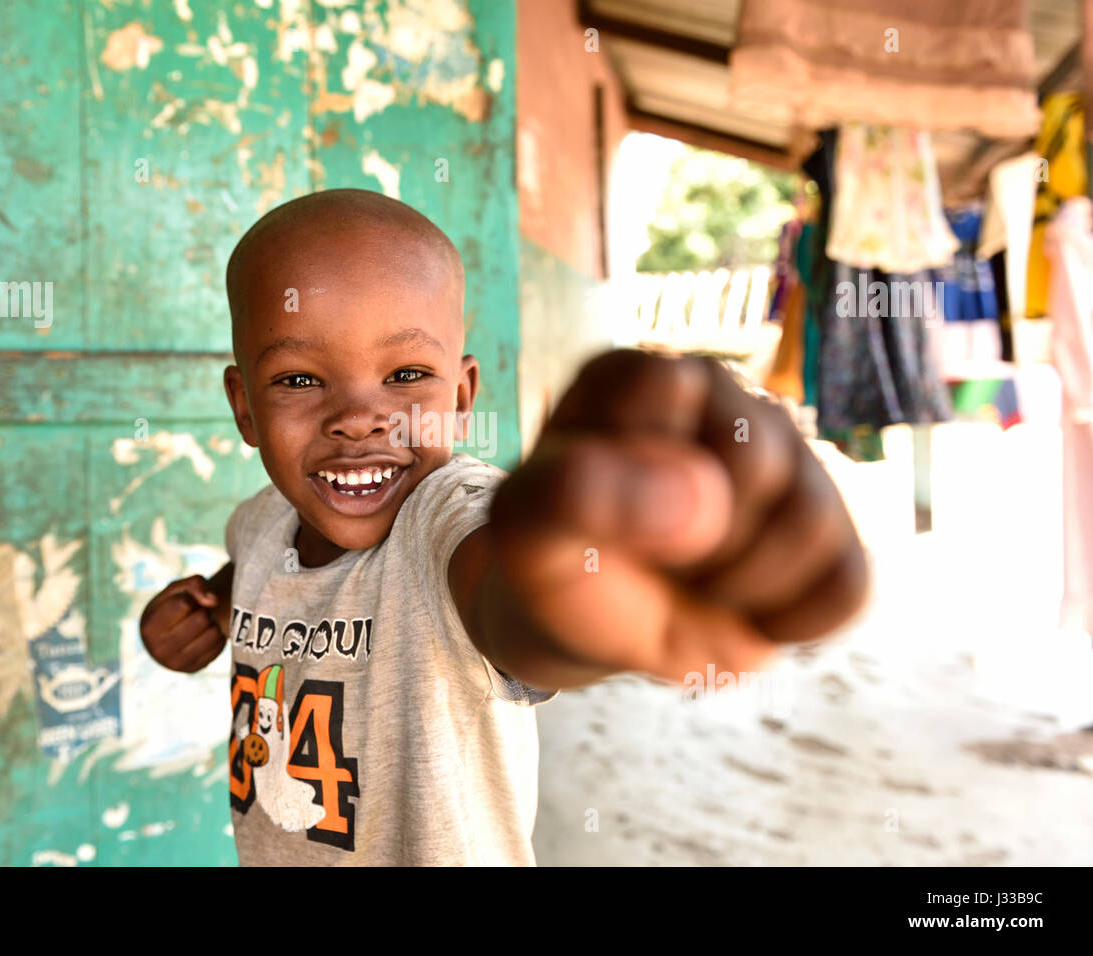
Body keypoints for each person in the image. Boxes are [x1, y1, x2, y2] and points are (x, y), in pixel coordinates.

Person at [139, 188, 868, 865]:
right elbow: (261, 587)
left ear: (461, 396)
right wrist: (199, 612)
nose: (359, 417)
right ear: (244, 406)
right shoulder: (261, 522)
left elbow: (509, 599)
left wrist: (577, 597)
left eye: (405, 377)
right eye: (299, 380)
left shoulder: (445, 518)